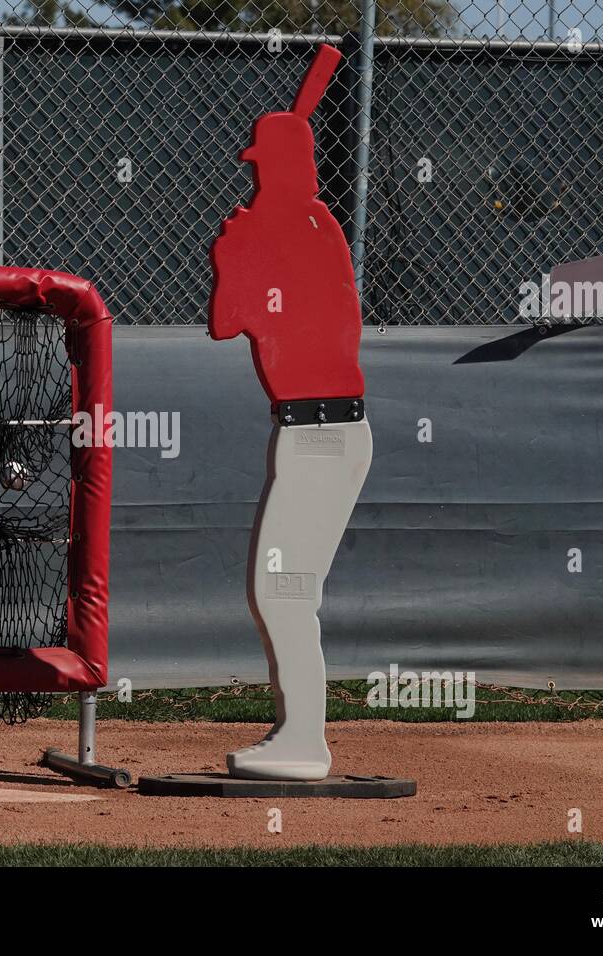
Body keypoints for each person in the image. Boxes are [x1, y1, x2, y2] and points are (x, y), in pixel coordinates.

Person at [207, 44, 371, 781]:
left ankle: (305, 740)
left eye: (263, 165)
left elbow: (270, 309)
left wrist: (247, 251)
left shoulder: (308, 228)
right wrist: (234, 258)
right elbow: (226, 320)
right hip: (306, 433)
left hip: (328, 434)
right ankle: (297, 731)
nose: (255, 174)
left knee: (283, 588)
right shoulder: (278, 227)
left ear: (289, 168)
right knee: (275, 587)